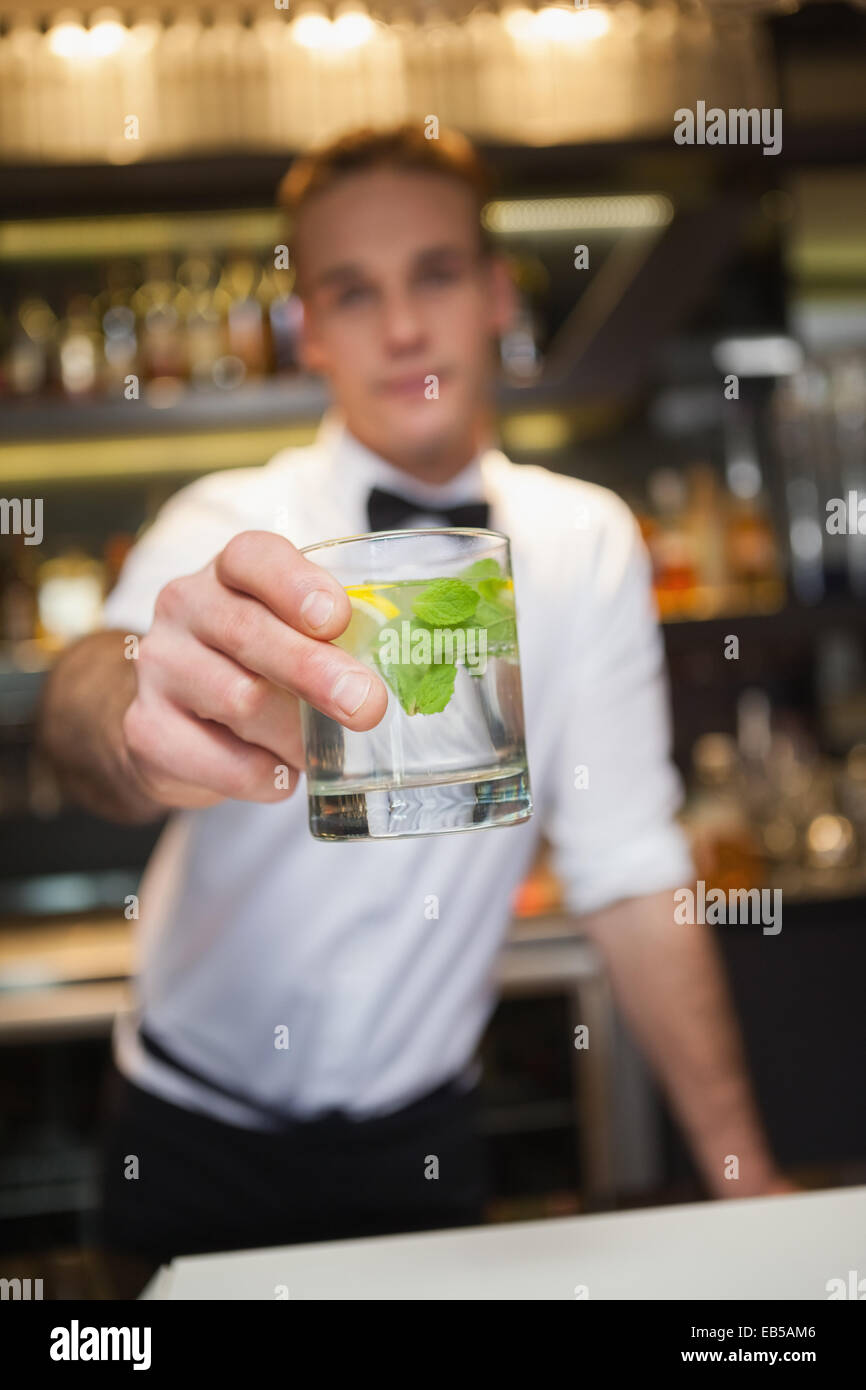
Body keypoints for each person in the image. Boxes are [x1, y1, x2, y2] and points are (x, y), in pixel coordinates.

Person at [38, 122, 793, 1297]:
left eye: (433, 273)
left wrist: (743, 1178)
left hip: (425, 1134)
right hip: (191, 1129)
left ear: (496, 291)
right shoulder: (228, 524)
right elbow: (93, 703)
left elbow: (629, 870)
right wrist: (145, 722)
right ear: (312, 329)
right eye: (353, 291)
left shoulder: (582, 542)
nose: (400, 327)